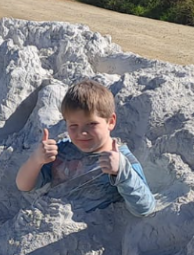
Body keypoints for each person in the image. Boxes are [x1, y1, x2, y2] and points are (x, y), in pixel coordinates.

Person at [16, 80, 156, 217]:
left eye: (91, 124)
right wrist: (36, 160)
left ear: (111, 121)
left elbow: (144, 208)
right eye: (73, 126)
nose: (82, 133)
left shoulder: (121, 160)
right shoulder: (62, 152)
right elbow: (24, 185)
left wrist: (121, 172)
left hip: (87, 233)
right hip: (47, 220)